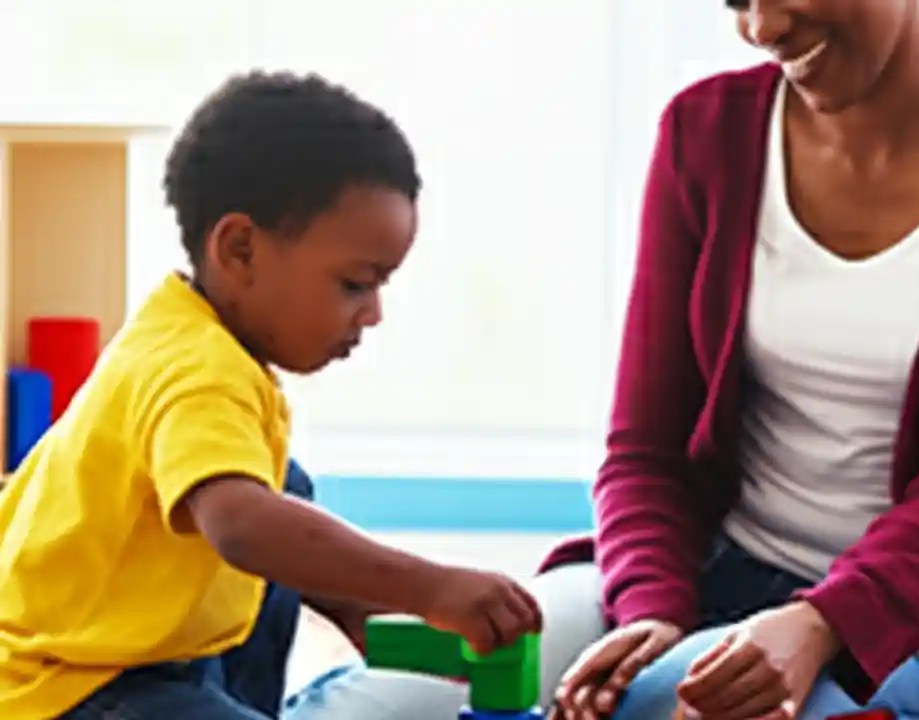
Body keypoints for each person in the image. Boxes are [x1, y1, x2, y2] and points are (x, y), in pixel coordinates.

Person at [285, 1, 919, 718]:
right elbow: (644, 448)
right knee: (390, 700)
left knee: (670, 706)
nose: (760, 26)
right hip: (691, 576)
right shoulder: (706, 134)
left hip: (901, 628)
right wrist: (654, 611)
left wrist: (819, 622)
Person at [0, 71, 542, 720]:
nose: (372, 315)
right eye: (354, 284)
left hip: (147, 652)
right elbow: (240, 528)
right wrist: (430, 586)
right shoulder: (196, 369)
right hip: (69, 688)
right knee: (263, 507)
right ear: (240, 249)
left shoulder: (190, 338)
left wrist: (357, 606)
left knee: (286, 486)